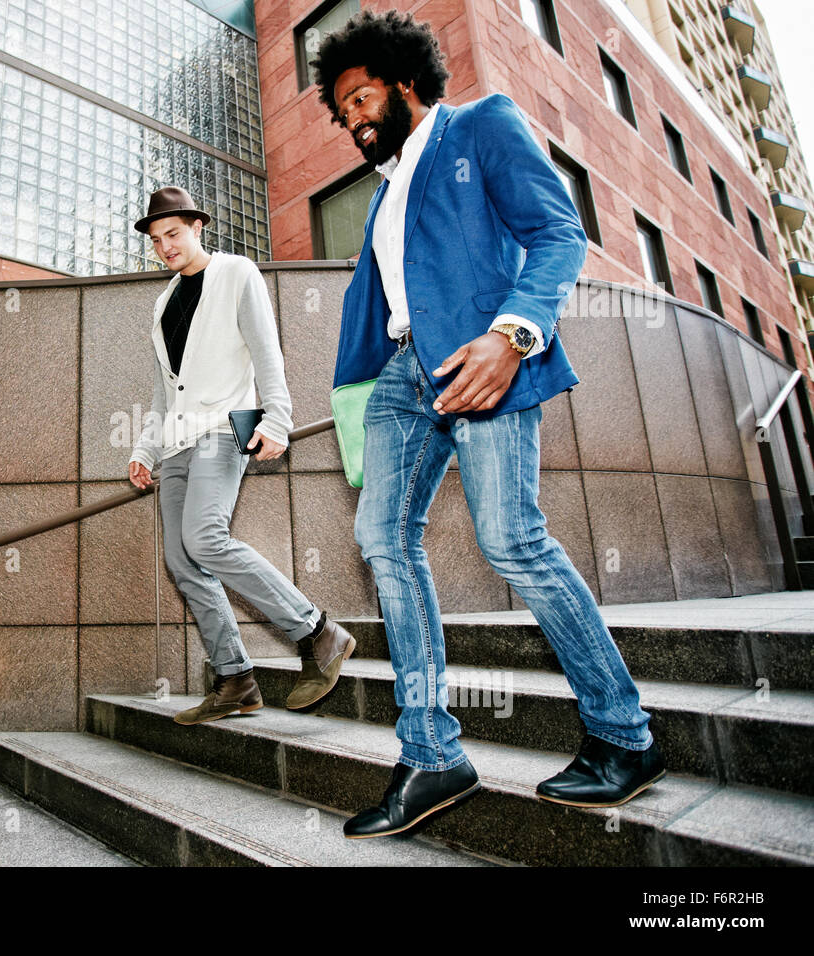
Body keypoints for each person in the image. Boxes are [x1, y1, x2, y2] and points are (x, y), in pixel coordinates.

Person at [310, 10, 665, 838]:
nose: (353, 119)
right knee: (383, 539)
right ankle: (432, 754)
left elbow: (558, 232)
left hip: (482, 356)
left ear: (404, 82)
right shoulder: (385, 192)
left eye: (361, 98)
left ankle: (625, 736)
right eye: (342, 110)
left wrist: (513, 335)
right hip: (403, 376)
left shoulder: (480, 125)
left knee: (511, 539)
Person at [127, 185, 356, 725]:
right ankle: (235, 679)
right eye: (156, 239)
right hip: (176, 444)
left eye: (173, 234)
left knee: (205, 538)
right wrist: (145, 448)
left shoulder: (236, 273)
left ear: (197, 227)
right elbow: (164, 389)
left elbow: (265, 349)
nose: (165, 246)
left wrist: (277, 418)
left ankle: (317, 632)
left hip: (221, 429)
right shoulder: (163, 303)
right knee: (183, 560)